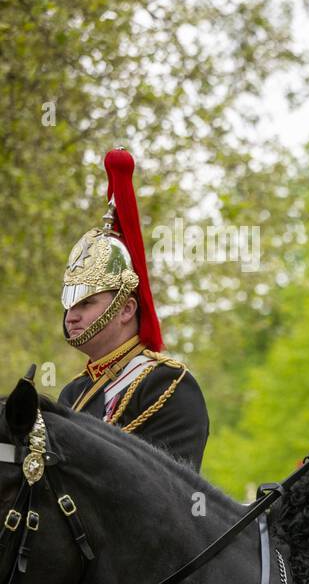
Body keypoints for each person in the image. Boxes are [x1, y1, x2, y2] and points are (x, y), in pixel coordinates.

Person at [58, 149, 208, 469]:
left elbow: (160, 492)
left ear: (126, 310)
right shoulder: (73, 393)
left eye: (86, 303)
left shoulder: (167, 384)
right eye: (70, 305)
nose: (72, 315)